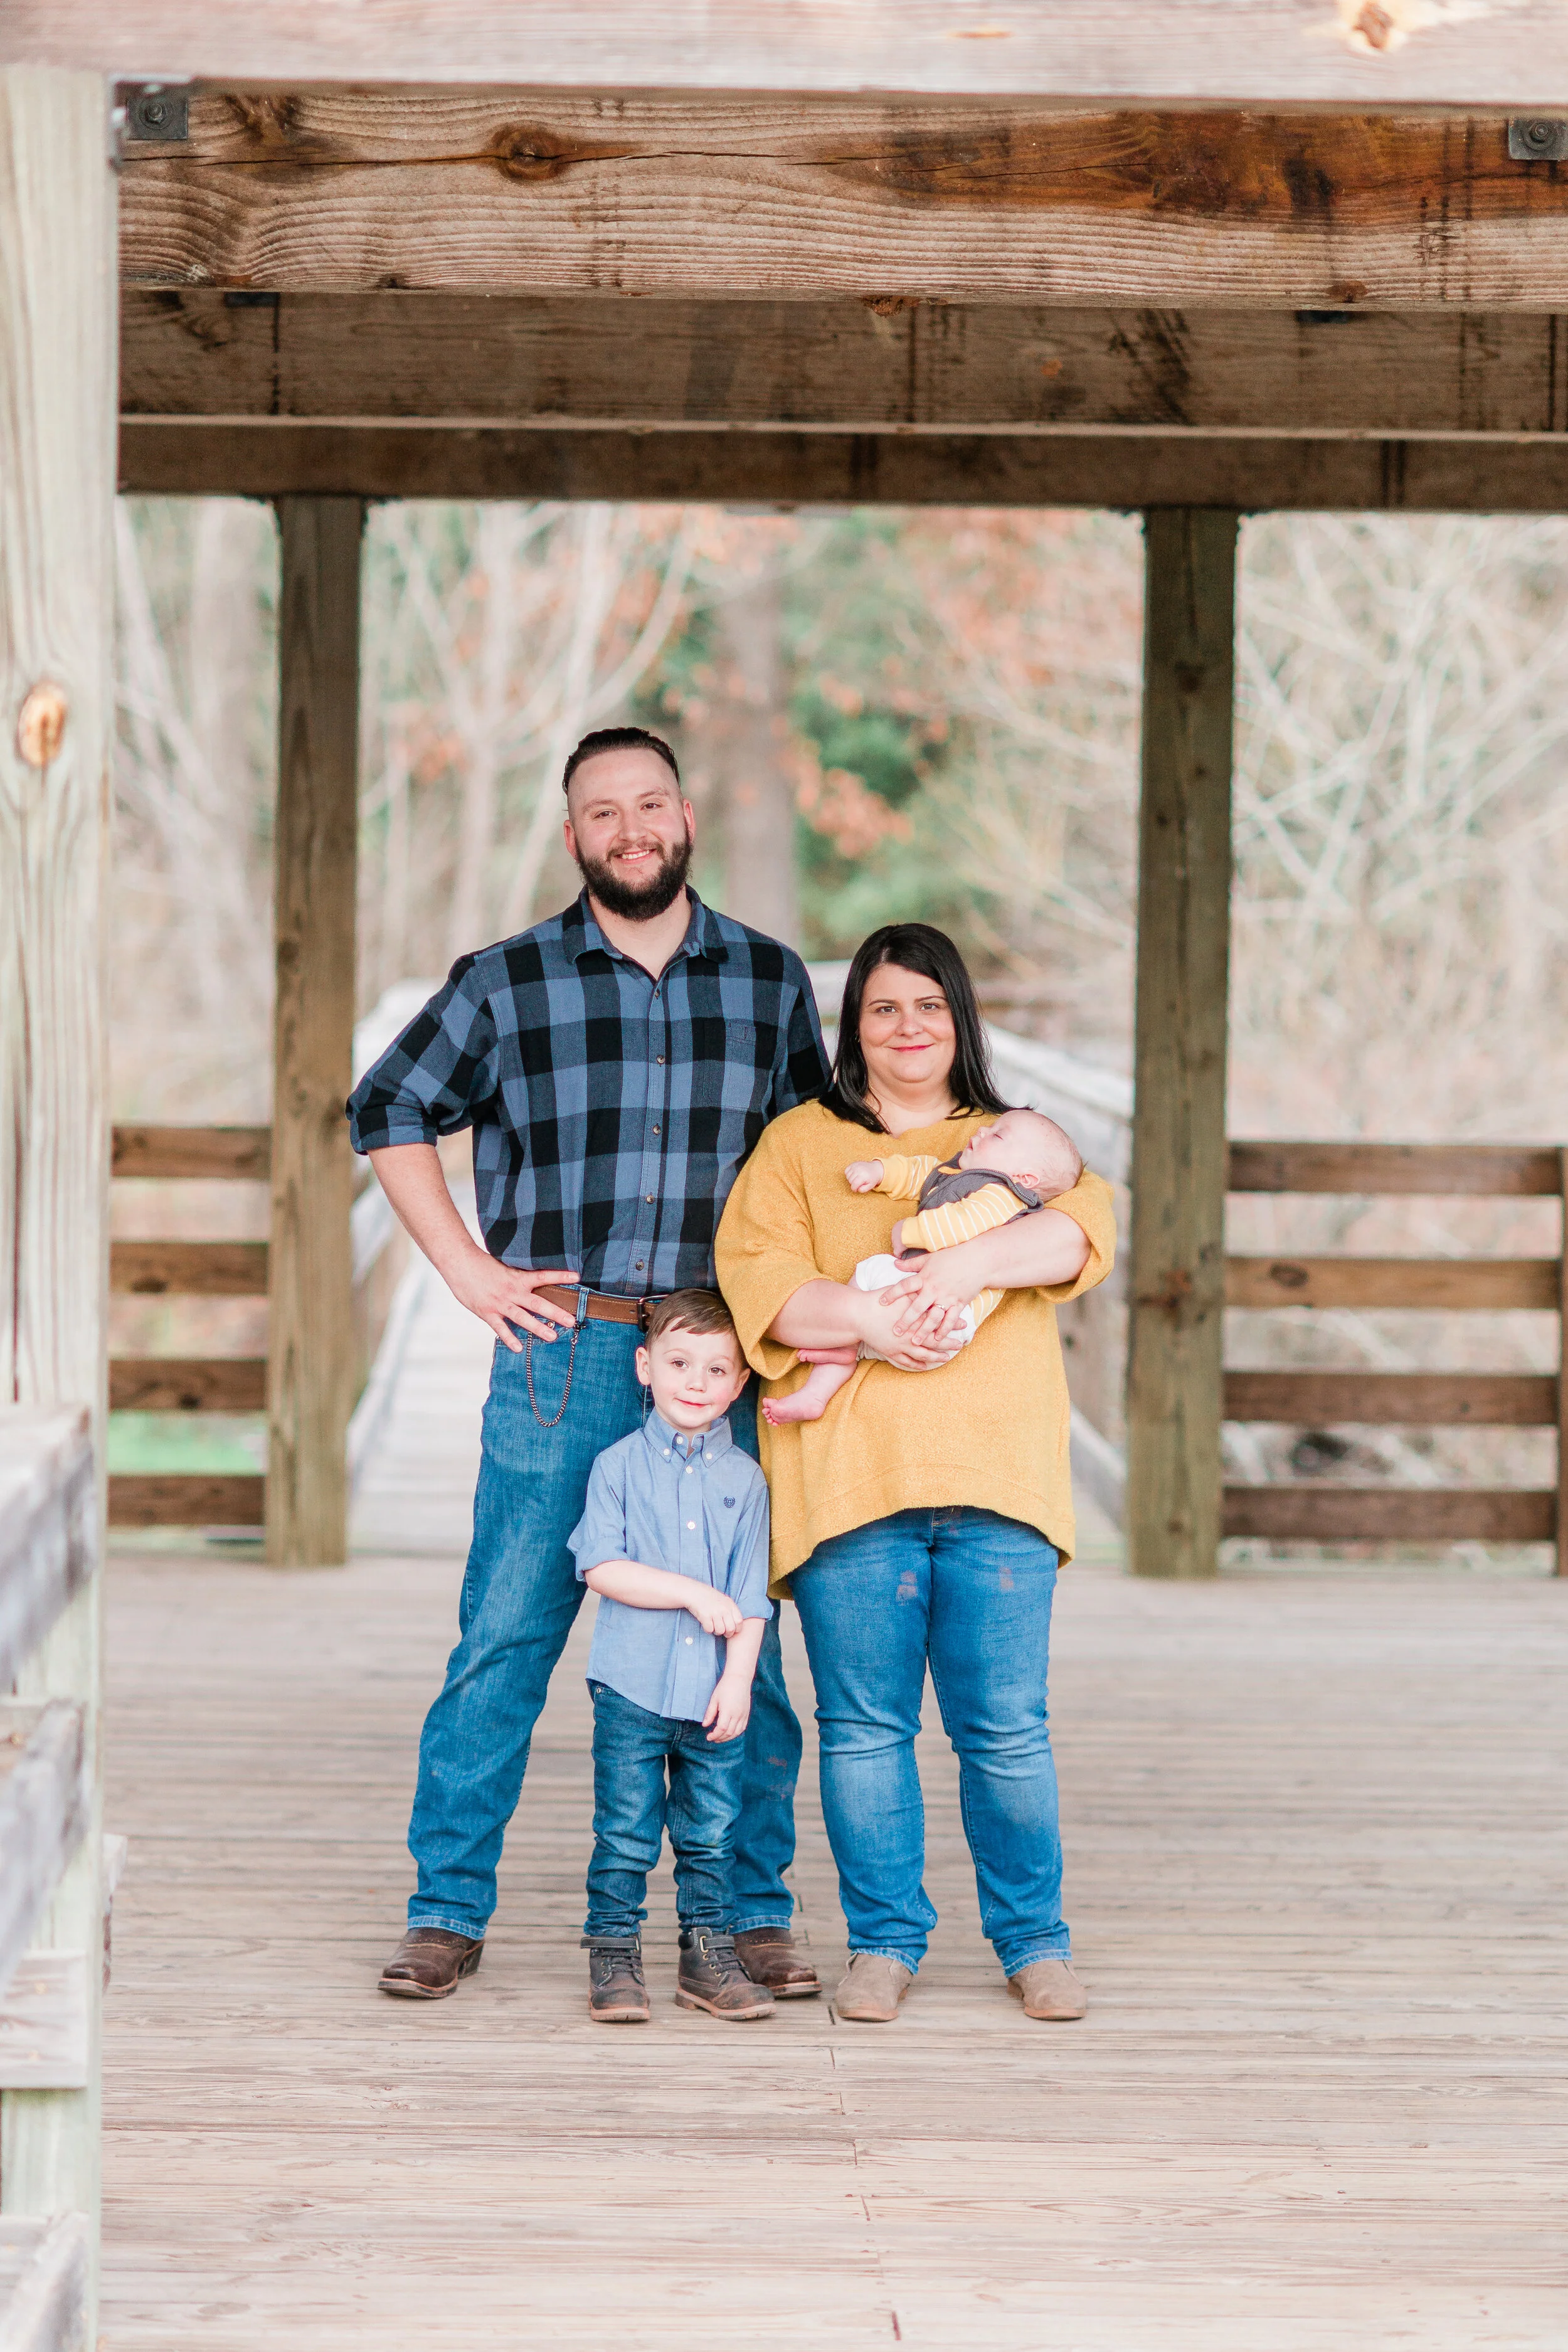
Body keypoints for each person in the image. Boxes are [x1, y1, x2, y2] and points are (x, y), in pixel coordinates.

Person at [348, 725, 829, 2002]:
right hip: (564, 1353)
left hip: (721, 1366)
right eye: (601, 812)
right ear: (573, 838)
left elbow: (815, 1170)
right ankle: (445, 1912)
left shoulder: (772, 982)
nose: (629, 829)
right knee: (504, 1634)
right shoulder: (504, 982)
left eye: (649, 803)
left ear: (684, 818)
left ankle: (753, 1916)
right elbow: (386, 1108)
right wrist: (463, 1267)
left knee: (747, 1643)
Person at [716, 924, 1116, 2026]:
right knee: (864, 1728)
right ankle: (885, 1943)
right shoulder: (799, 1146)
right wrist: (876, 1327)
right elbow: (761, 1283)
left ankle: (1035, 1944)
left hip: (997, 1478)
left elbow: (1083, 1237)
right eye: (885, 1008)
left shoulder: (1019, 1143)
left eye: (930, 1008)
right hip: (854, 1481)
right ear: (854, 1024)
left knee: (1005, 1728)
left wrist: (971, 1258)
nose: (908, 1029)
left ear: (961, 1022)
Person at [571, 1291, 776, 2025]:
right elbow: (601, 1567)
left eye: (717, 1369)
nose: (697, 1382)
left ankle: (707, 1953)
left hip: (714, 1692)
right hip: (631, 1685)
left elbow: (752, 1597)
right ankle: (614, 1951)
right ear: (644, 1365)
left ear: (740, 1382)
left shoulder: (747, 1481)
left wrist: (741, 1680)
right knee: (625, 1827)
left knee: (713, 1828)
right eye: (680, 1362)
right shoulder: (617, 1466)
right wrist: (691, 1592)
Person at [763, 1107, 1084, 1426]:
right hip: (922, 1299)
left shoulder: (1003, 1196)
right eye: (989, 1127)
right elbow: (922, 1172)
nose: (983, 1132)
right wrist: (880, 1173)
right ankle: (820, 1389)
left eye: (998, 1135)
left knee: (871, 1272)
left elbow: (962, 1225)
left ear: (1024, 1178)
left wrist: (911, 1231)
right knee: (869, 1291)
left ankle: (846, 1353)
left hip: (950, 1316)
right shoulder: (961, 1175)